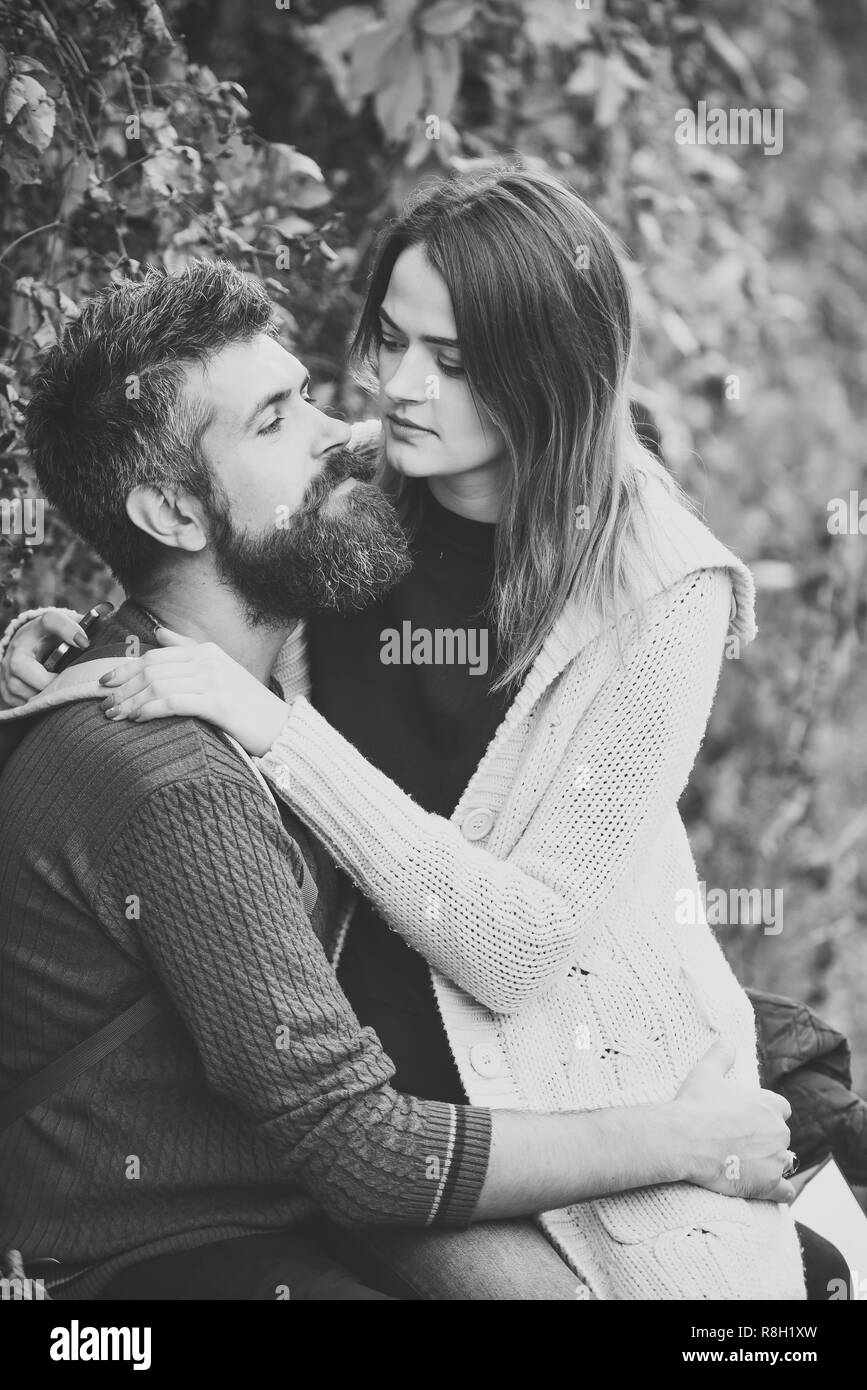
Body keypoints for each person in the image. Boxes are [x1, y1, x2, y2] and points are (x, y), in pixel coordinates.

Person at [0, 259, 797, 1302]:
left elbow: (520, 454)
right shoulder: (176, 775)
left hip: (271, 1206)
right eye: (280, 416)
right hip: (157, 1259)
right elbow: (363, 1150)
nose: (344, 429)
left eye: (315, 391)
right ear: (173, 513)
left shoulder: (207, 655)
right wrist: (684, 1140)